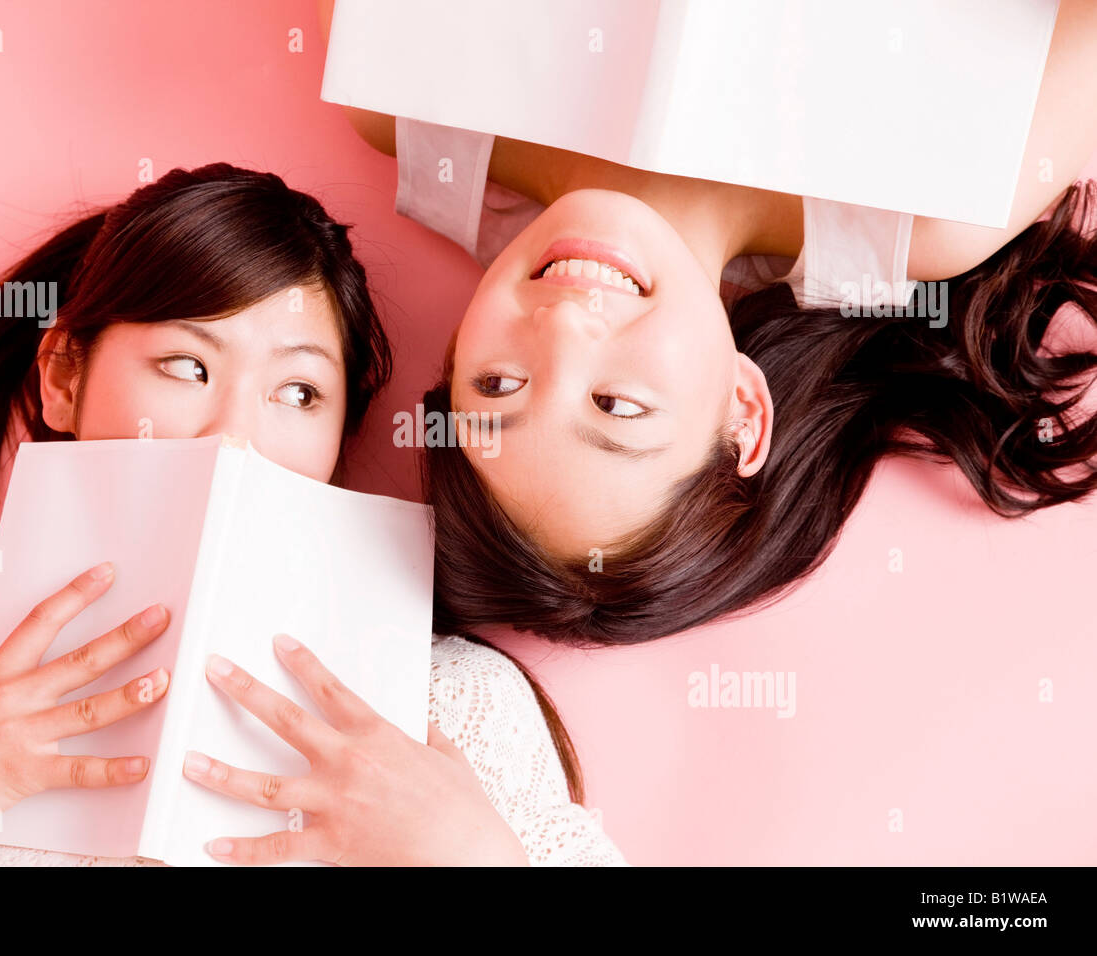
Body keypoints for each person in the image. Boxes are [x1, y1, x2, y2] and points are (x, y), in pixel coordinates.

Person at [0, 163, 625, 866]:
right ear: (62, 376)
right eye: (186, 366)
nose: (235, 439)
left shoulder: (452, 712)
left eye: (298, 392)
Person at [329, 0, 1097, 646]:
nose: (563, 329)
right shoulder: (931, 218)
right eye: (617, 407)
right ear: (743, 410)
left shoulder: (402, 97)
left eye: (498, 384)